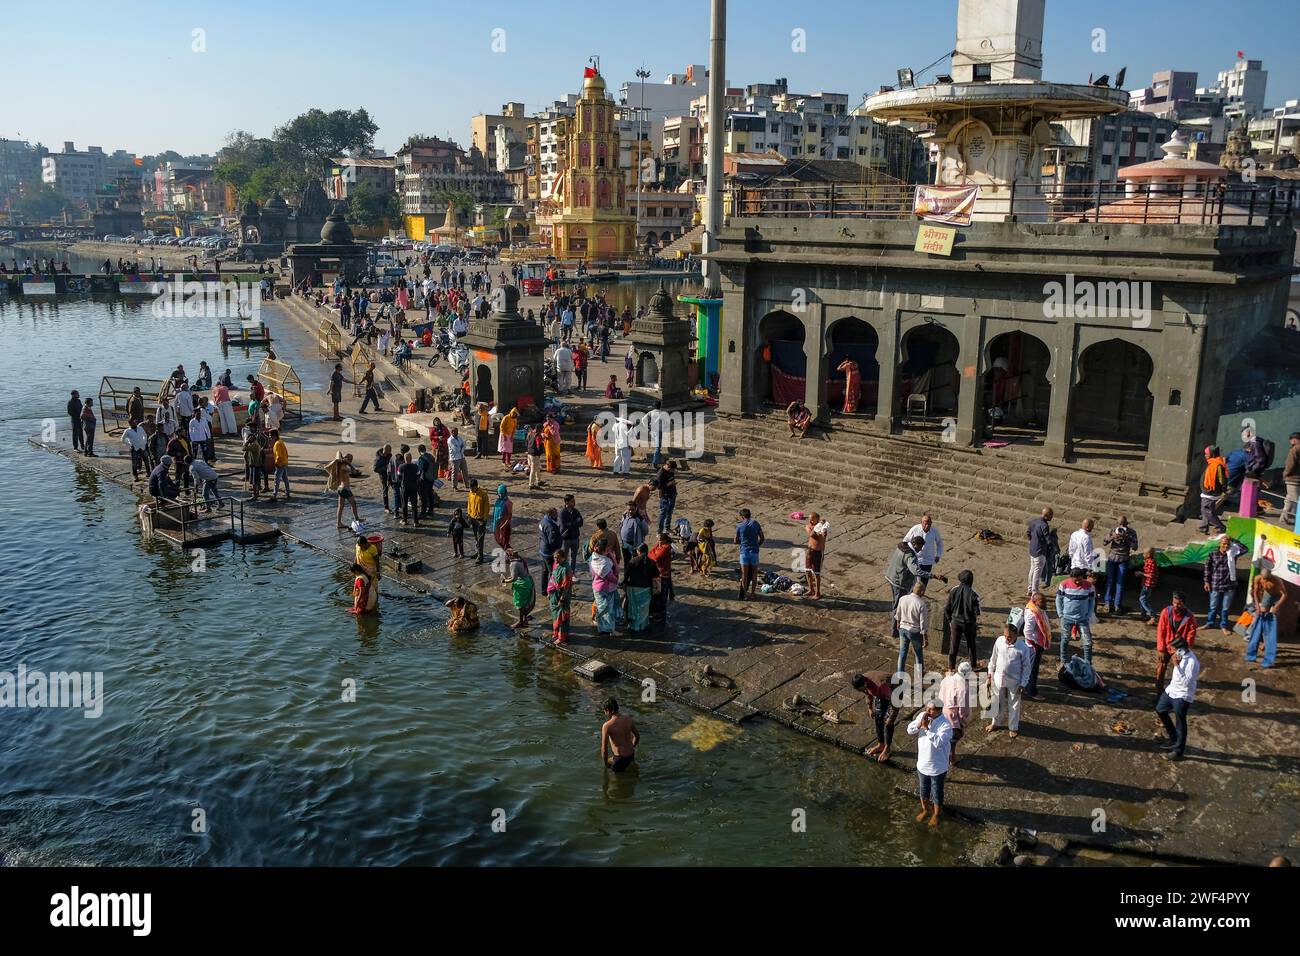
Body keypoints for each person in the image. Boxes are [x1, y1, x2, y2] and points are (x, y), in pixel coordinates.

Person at [907, 700, 953, 827]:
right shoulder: (923, 716)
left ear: (939, 711)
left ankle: (936, 814)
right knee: (923, 790)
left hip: (937, 767)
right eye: (927, 708)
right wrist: (919, 725)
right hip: (922, 764)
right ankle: (925, 810)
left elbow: (938, 742)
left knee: (937, 791)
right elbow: (909, 730)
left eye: (931, 709)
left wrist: (926, 728)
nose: (927, 711)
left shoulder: (945, 725)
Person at [885, 536, 943, 636]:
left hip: (892, 576)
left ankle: (895, 628)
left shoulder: (902, 546)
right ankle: (895, 631)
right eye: (920, 547)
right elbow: (916, 571)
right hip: (899, 582)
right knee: (897, 606)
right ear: (915, 544)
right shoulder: (909, 555)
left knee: (895, 603)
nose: (920, 550)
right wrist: (932, 575)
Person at [1155, 638, 1200, 761]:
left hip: (1182, 695)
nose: (1171, 652)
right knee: (1160, 709)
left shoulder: (1192, 662)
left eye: (1173, 649)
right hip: (1172, 690)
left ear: (1181, 650)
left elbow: (1186, 682)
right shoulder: (1180, 656)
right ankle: (1174, 738)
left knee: (1180, 722)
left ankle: (1179, 751)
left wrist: (1176, 665)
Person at [986, 623, 1031, 737]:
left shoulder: (1023, 647)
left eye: (1010, 636)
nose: (1007, 638)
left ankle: (1013, 727)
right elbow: (993, 658)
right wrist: (990, 673)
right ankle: (995, 722)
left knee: (1014, 704)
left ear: (1016, 635)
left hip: (1014, 680)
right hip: (998, 678)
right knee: (997, 703)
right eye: (1005, 636)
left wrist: (1023, 683)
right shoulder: (999, 641)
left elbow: (1027, 667)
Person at [852, 670, 901, 763]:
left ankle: (887, 748)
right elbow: (867, 693)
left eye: (860, 689)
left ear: (865, 683)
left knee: (888, 722)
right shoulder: (863, 681)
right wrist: (870, 708)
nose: (860, 691)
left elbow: (896, 703)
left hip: (894, 691)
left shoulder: (881, 686)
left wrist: (892, 716)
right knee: (878, 717)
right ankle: (880, 744)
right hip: (880, 693)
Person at [1155, 590, 1197, 691]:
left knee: (1178, 672)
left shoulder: (1190, 617)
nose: (1176, 605)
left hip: (1179, 649)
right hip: (1166, 646)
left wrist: (1180, 653)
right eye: (1174, 603)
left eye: (1178, 604)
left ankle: (1175, 693)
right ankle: (1159, 692)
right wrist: (1161, 649)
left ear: (1184, 604)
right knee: (1160, 668)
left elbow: (1190, 638)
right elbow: (1161, 631)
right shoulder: (1166, 612)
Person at [1055, 567, 1097, 664]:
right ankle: (1063, 661)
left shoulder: (1089, 586)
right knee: (1065, 639)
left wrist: (1089, 614)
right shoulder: (1064, 584)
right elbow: (1059, 599)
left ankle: (1088, 663)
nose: (1078, 582)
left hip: (1083, 619)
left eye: (1080, 579)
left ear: (1083, 577)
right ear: (1071, 578)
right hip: (1067, 618)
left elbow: (1092, 601)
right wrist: (1060, 613)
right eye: (1075, 580)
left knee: (1087, 641)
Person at [1246, 566, 1285, 669]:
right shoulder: (1258, 578)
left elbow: (1284, 595)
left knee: (1270, 632)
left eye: (1266, 579)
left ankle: (1268, 660)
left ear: (1270, 577)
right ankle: (1251, 655)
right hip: (1266, 597)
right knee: (1257, 627)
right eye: (1263, 578)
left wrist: (1276, 607)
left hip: (1275, 598)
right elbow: (1255, 591)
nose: (1263, 581)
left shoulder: (1276, 581)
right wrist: (1257, 606)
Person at [943, 569, 982, 671]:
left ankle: (951, 667)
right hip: (969, 624)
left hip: (955, 622)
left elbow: (947, 608)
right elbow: (977, 612)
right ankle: (973, 665)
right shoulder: (974, 594)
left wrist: (950, 621)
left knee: (954, 645)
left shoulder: (953, 591)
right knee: (971, 645)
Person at [1102, 516, 1138, 614]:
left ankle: (1117, 605)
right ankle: (1107, 603)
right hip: (1112, 558)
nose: (1121, 526)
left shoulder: (1132, 532)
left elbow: (1135, 547)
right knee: (1110, 581)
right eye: (1120, 524)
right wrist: (1112, 537)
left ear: (1126, 523)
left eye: (1123, 524)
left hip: (1123, 559)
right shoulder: (1113, 530)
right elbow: (1104, 542)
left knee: (1120, 583)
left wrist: (1126, 539)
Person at [939, 662, 973, 765]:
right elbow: (963, 709)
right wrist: (963, 721)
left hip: (942, 711)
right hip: (953, 716)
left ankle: (948, 755)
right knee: (953, 738)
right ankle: (951, 757)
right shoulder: (963, 687)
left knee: (944, 734)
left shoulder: (947, 679)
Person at [895, 580, 929, 679]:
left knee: (902, 652)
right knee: (918, 654)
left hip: (902, 628)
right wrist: (925, 637)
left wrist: (898, 624)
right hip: (915, 632)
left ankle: (900, 673)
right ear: (922, 592)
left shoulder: (903, 598)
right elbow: (923, 623)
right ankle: (919, 674)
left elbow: (898, 613)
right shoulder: (921, 604)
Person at [1022, 591, 1052, 700]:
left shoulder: (1038, 610)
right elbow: (1027, 632)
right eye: (1042, 601)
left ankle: (1027, 687)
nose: (1045, 603)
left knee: (1031, 668)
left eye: (1045, 601)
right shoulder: (1032, 612)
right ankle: (1031, 691)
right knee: (1033, 669)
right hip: (1033, 646)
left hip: (1037, 644)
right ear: (1035, 601)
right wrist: (1035, 643)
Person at [1203, 535, 1236, 635]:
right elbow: (1207, 568)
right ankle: (1209, 623)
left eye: (1228, 544)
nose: (1226, 546)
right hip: (1215, 584)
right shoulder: (1213, 554)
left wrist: (1233, 540)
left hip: (1229, 585)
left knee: (1225, 608)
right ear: (1219, 544)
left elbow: (1244, 549)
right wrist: (1206, 581)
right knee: (1213, 606)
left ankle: (1223, 626)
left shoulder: (1232, 554)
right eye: (1224, 543)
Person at [624, 544, 659, 632]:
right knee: (644, 608)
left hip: (633, 588)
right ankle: (643, 625)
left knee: (634, 608)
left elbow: (626, 575)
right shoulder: (651, 562)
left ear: (639, 551)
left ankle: (634, 626)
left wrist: (624, 583)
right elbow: (656, 575)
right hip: (646, 588)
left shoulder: (632, 561)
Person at [600, 697, 639, 773]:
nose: (605, 713)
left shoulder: (607, 726)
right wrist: (632, 747)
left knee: (614, 783)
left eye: (605, 711)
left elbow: (604, 750)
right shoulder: (628, 719)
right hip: (631, 755)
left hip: (619, 760)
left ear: (608, 711)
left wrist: (606, 765)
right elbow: (637, 736)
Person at [590, 540, 621, 635]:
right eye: (607, 548)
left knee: (601, 608)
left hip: (596, 587)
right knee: (608, 610)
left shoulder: (593, 558)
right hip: (606, 588)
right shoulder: (604, 563)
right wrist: (617, 581)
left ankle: (602, 627)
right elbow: (612, 577)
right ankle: (611, 629)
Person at [734, 508, 765, 601]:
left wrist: (743, 542)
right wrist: (757, 545)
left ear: (742, 516)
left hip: (744, 552)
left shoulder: (739, 526)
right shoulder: (755, 523)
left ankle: (744, 594)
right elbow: (762, 538)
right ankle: (753, 593)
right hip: (754, 552)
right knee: (754, 574)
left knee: (744, 575)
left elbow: (735, 540)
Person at [1197, 446, 1229, 534]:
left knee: (1206, 509)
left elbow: (1222, 479)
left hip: (1211, 491)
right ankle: (1203, 526)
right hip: (1208, 491)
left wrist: (1224, 490)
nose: (1205, 456)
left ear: (1212, 454)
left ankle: (1220, 526)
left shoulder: (1217, 465)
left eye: (1207, 454)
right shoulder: (1212, 462)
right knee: (1206, 509)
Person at [903, 513, 944, 581]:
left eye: (929, 524)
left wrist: (938, 555)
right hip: (916, 559)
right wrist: (909, 555)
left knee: (924, 581)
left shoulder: (934, 531)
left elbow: (939, 543)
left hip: (928, 561)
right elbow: (905, 541)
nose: (927, 526)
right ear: (921, 523)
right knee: (913, 581)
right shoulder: (915, 529)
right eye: (925, 523)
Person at [324, 453, 360, 528]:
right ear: (345, 458)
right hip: (345, 489)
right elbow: (354, 472)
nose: (350, 461)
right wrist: (349, 464)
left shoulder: (340, 465)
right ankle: (357, 519)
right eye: (350, 459)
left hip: (340, 488)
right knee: (353, 504)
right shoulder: (344, 467)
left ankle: (338, 523)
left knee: (341, 506)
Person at [1026, 507, 1055, 596]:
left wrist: (1032, 541)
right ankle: (1034, 591)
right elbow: (1048, 540)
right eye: (1051, 515)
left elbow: (1028, 532)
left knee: (1032, 569)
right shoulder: (1044, 525)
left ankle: (1030, 589)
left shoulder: (1034, 521)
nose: (1052, 517)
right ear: (1046, 515)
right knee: (1037, 572)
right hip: (1040, 551)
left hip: (1033, 549)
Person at [547, 551, 574, 644]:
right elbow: (553, 578)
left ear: (563, 557)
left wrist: (562, 598)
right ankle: (556, 633)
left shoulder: (566, 569)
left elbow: (566, 586)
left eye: (558, 558)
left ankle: (562, 637)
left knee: (562, 616)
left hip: (562, 595)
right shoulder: (556, 564)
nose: (556, 560)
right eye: (555, 558)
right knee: (555, 615)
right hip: (554, 594)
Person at [505, 550, 536, 628]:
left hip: (522, 585)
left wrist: (504, 580)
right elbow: (518, 573)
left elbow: (513, 579)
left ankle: (521, 622)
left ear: (510, 556)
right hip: (527, 581)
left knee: (520, 604)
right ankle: (525, 619)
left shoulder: (513, 564)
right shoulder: (521, 559)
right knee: (525, 602)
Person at [648, 532, 675, 622]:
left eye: (660, 540)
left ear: (664, 540)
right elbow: (651, 553)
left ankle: (661, 615)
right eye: (658, 540)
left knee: (662, 596)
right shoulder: (660, 546)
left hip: (663, 574)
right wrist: (654, 553)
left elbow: (655, 558)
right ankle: (656, 613)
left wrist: (653, 554)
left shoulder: (666, 548)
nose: (658, 542)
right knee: (656, 595)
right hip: (658, 573)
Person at [804, 512, 827, 599]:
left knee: (817, 573)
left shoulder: (823, 527)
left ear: (817, 519)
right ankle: (811, 589)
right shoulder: (808, 526)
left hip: (818, 552)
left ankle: (818, 593)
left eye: (812, 519)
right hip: (809, 551)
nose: (810, 520)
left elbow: (823, 535)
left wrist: (821, 527)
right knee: (807, 571)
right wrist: (818, 526)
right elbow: (812, 534)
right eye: (809, 518)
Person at [559, 495, 584, 570]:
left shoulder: (575, 511)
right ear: (567, 502)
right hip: (566, 539)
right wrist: (574, 523)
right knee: (564, 557)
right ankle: (564, 572)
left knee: (573, 557)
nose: (574, 503)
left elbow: (581, 522)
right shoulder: (562, 512)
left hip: (575, 537)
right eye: (572, 501)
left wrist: (571, 524)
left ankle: (572, 572)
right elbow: (564, 526)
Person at [466, 480, 489, 561]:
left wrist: (485, 517)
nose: (471, 489)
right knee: (476, 537)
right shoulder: (470, 493)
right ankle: (478, 552)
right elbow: (469, 504)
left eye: (472, 488)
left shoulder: (483, 494)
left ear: (476, 486)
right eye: (470, 488)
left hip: (481, 519)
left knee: (480, 538)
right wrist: (469, 514)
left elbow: (487, 507)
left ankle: (480, 556)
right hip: (473, 518)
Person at [1137, 547, 1160, 625]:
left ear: (1149, 554)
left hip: (1148, 584)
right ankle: (1143, 615)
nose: (1143, 555)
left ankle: (1153, 615)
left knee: (1143, 599)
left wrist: (1141, 574)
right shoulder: (1148, 561)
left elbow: (1151, 575)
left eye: (1144, 553)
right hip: (1145, 584)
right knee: (1142, 599)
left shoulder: (1151, 563)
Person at [1282, 432, 1300, 528]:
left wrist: (1285, 474)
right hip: (1297, 479)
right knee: (1290, 499)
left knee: (1292, 500)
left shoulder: (1295, 449)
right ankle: (1284, 518)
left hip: (1293, 479)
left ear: (1294, 439)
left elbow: (1290, 464)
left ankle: (1293, 519)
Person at [656, 460, 678, 535]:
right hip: (665, 496)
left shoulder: (671, 471)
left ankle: (667, 528)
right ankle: (660, 531)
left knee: (670, 512)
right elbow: (659, 487)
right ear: (667, 466)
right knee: (663, 513)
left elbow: (672, 480)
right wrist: (670, 483)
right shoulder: (660, 473)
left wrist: (674, 490)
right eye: (672, 469)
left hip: (672, 494)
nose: (673, 471)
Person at [490, 484, 512, 550]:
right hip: (497, 525)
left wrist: (504, 526)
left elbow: (509, 516)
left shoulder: (508, 503)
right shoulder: (498, 501)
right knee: (498, 540)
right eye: (499, 493)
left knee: (505, 542)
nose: (501, 495)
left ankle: (509, 555)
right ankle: (509, 553)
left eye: (502, 493)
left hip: (505, 527)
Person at [269, 429, 290, 500]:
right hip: (284, 462)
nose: (270, 438)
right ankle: (287, 492)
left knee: (276, 480)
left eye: (270, 436)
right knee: (285, 478)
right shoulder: (281, 441)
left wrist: (276, 463)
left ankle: (274, 496)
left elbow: (278, 456)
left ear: (274, 436)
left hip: (280, 464)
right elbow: (286, 452)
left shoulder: (277, 444)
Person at [374, 445, 393, 513]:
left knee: (395, 490)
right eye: (389, 451)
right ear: (386, 450)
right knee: (385, 491)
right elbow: (375, 469)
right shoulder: (379, 458)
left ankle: (399, 505)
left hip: (390, 475)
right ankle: (386, 507)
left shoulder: (389, 455)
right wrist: (386, 468)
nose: (390, 452)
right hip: (383, 476)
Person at [526, 424, 546, 490]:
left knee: (537, 468)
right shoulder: (538, 436)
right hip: (535, 454)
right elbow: (538, 446)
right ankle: (531, 484)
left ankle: (539, 481)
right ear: (540, 429)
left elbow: (527, 441)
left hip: (529, 453)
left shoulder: (530, 433)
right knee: (533, 469)